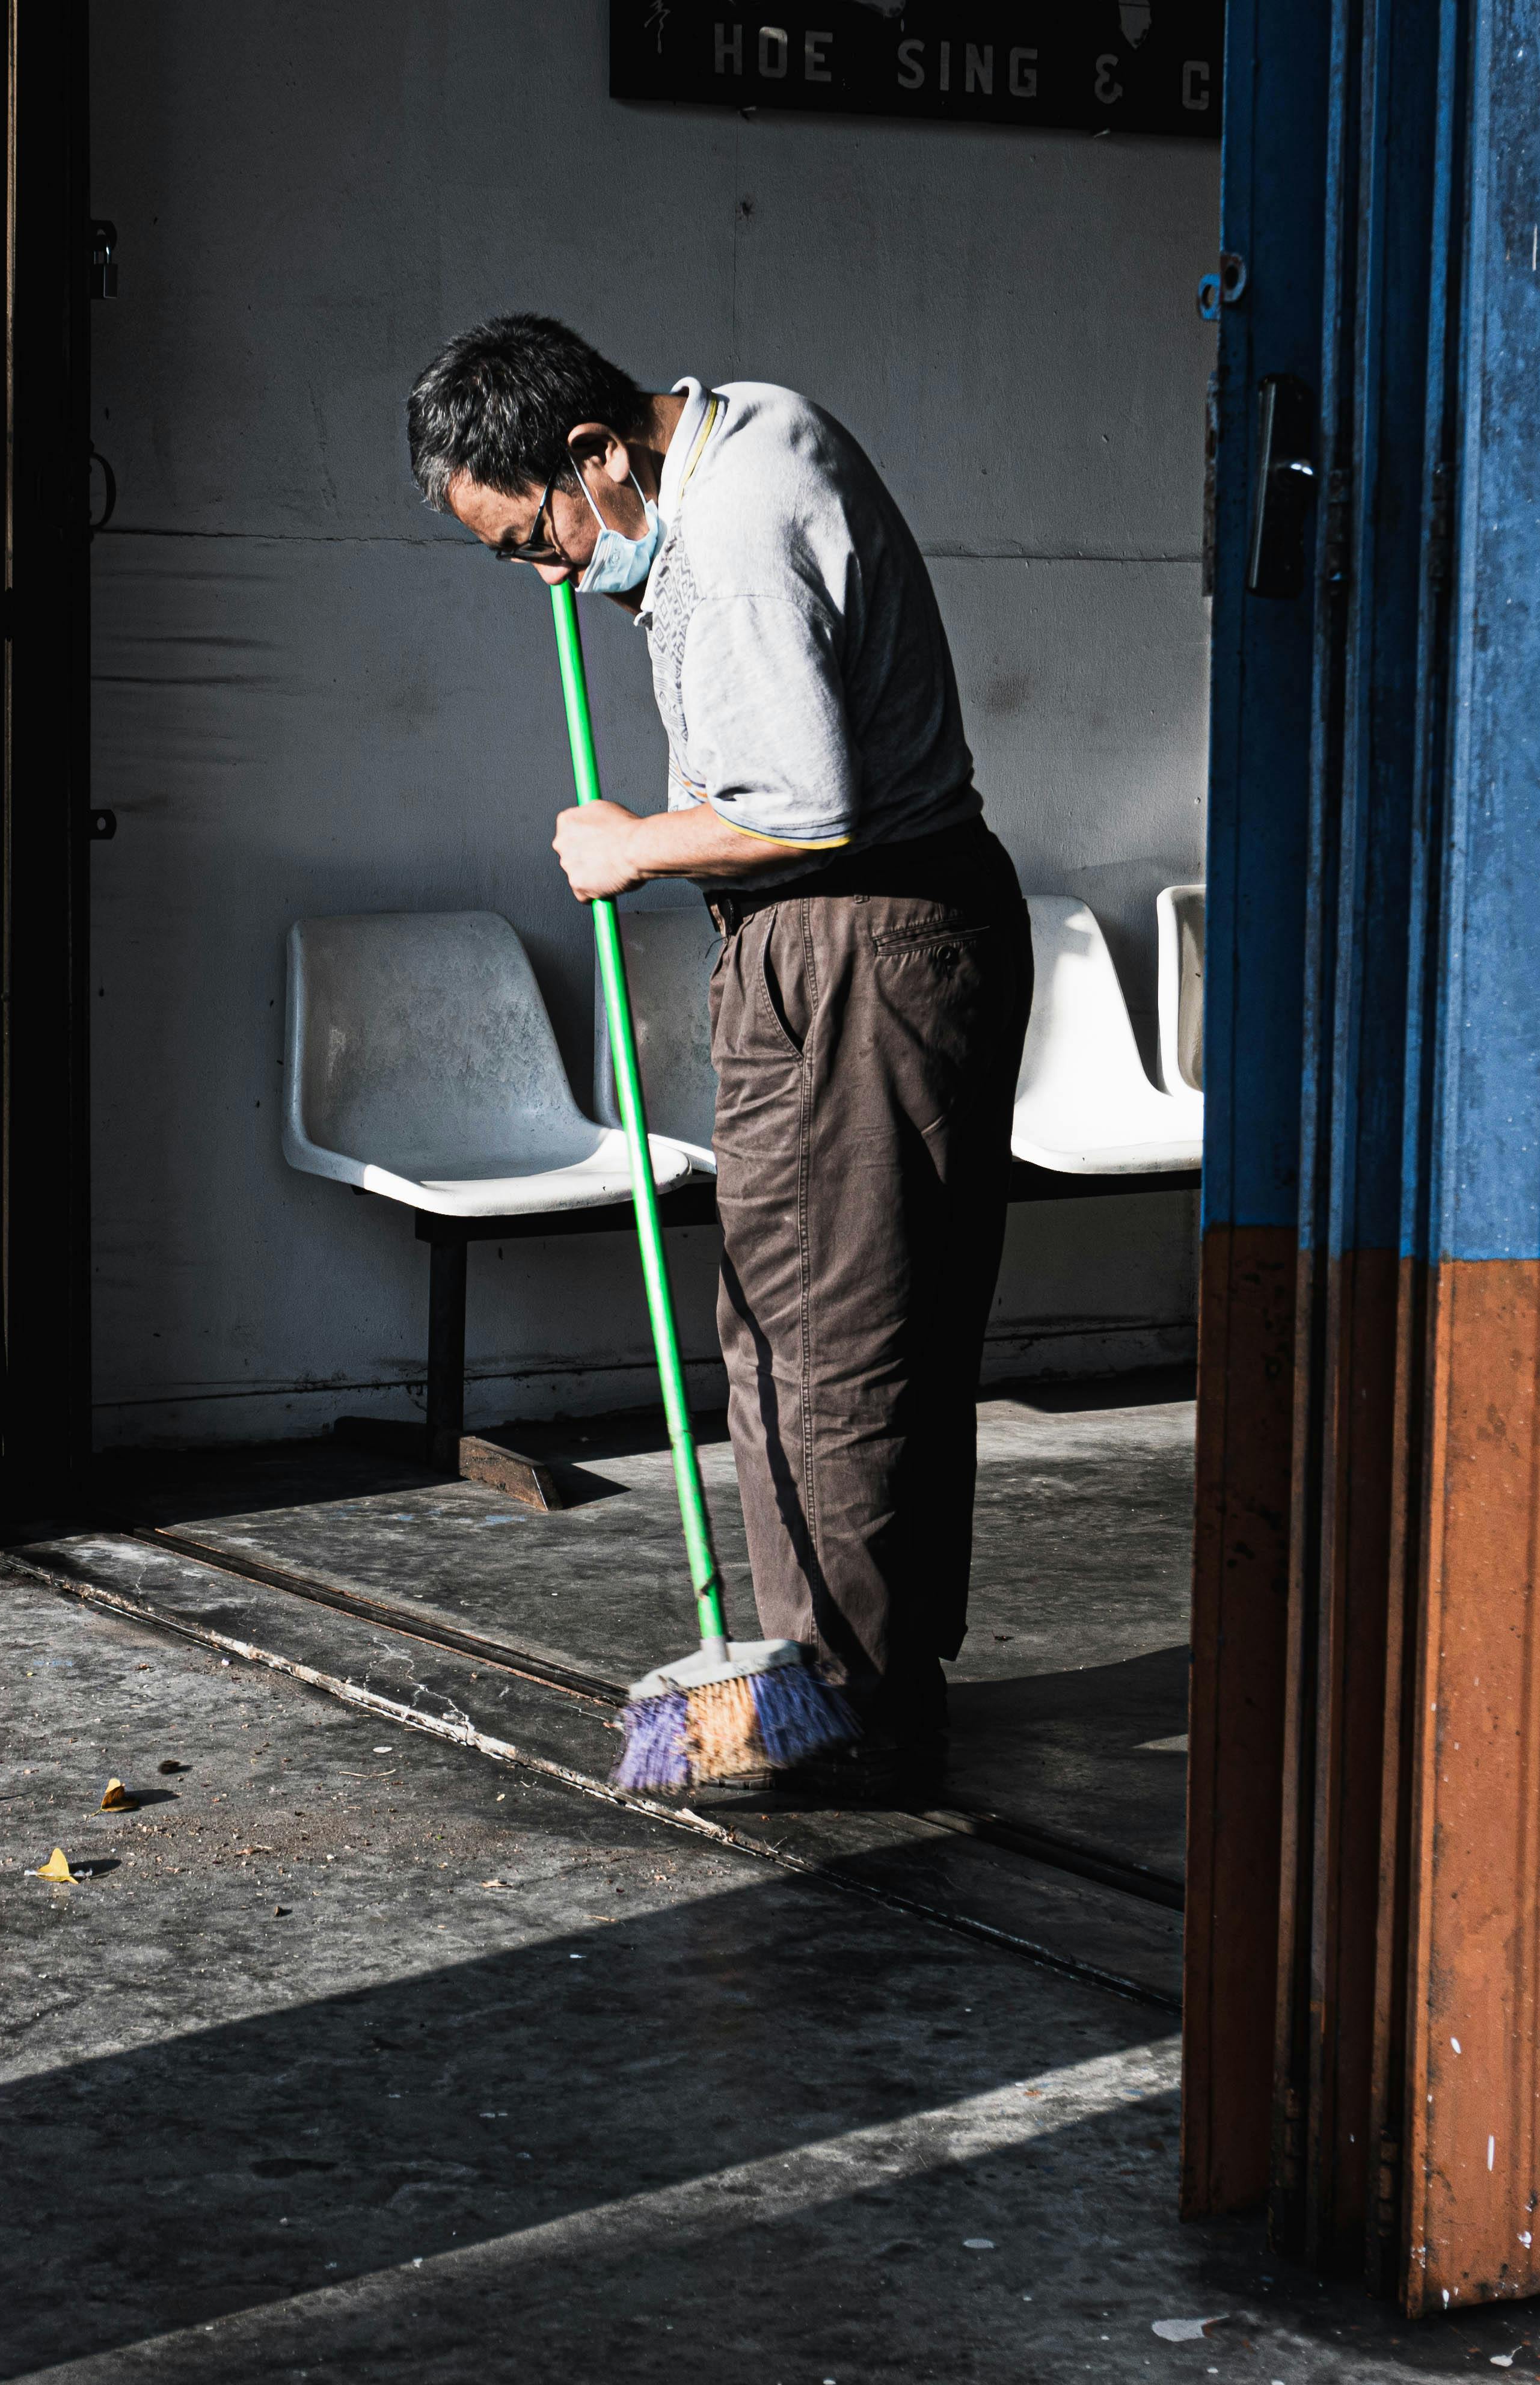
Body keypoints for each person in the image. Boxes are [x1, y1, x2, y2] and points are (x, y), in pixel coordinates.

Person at [403, 313, 1033, 1805]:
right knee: (850, 1324)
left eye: (530, 542)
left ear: (594, 453)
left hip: (848, 937)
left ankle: (846, 1698)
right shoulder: (739, 434)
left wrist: (630, 846)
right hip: (887, 931)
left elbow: (805, 806)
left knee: (818, 1342)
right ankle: (877, 1667)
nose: (545, 580)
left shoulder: (736, 525)